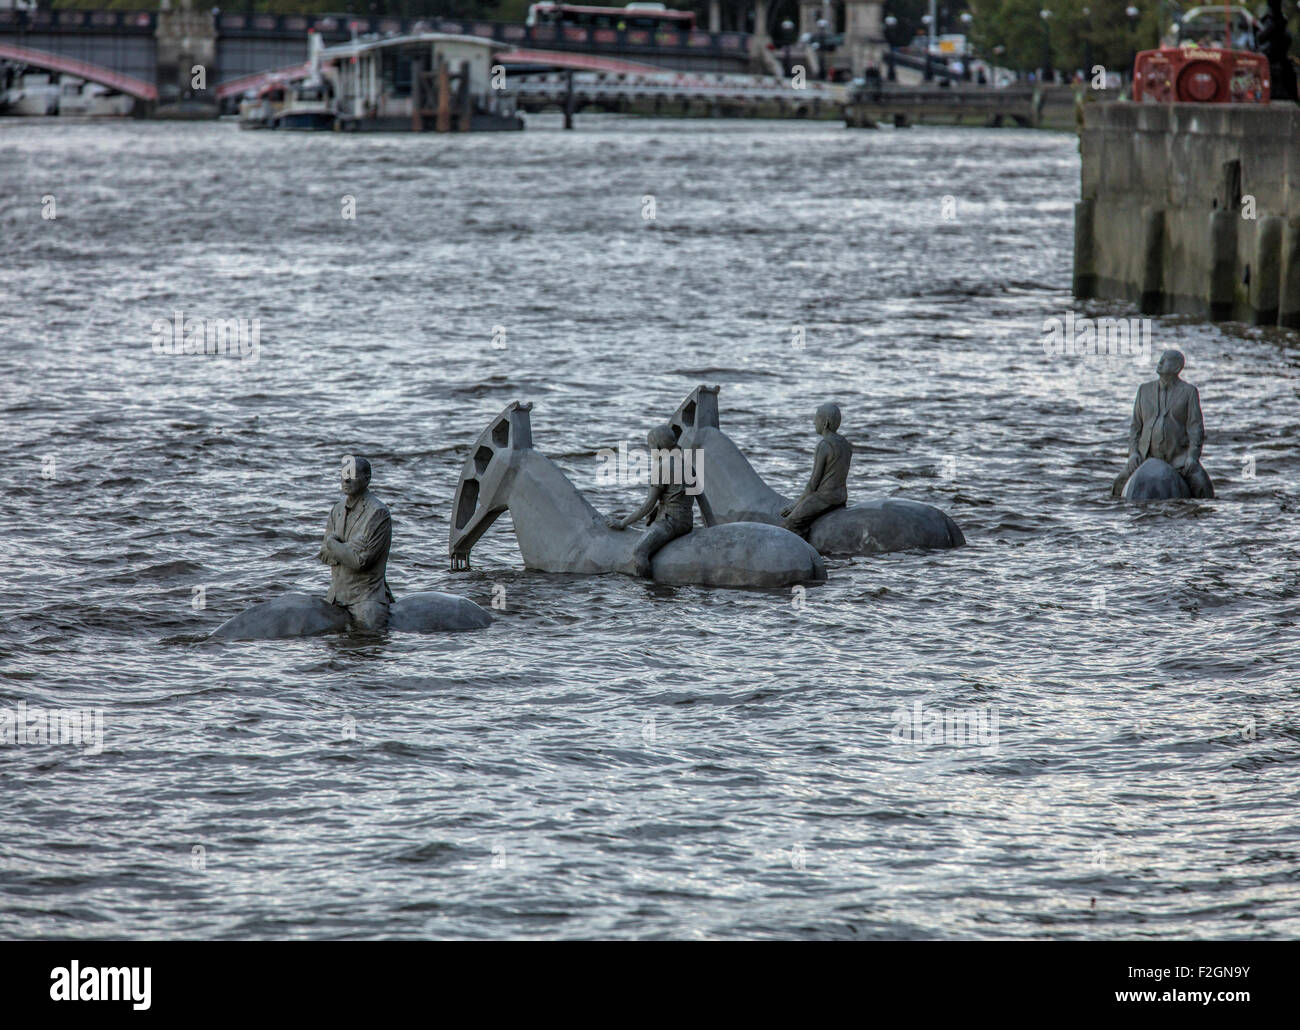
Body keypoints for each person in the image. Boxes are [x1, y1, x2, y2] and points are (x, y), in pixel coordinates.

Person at [1111, 349, 1214, 498]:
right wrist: (1133, 454)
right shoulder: (1144, 390)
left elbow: (1195, 428)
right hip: (1146, 456)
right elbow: (1135, 428)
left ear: (1177, 368)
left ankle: (1207, 511)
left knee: (1201, 483)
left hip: (1178, 459)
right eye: (1161, 359)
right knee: (1119, 481)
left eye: (1165, 360)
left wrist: (1192, 457)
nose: (1160, 362)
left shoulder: (1189, 392)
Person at [607, 425, 695, 578]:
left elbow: (647, 506)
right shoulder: (689, 465)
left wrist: (622, 523)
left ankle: (649, 587)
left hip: (670, 522)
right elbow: (701, 497)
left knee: (639, 552)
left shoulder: (662, 468)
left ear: (658, 446)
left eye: (650, 447)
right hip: (687, 522)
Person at [319, 455, 395, 630]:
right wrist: (347, 549)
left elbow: (359, 562)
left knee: (370, 640)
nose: (345, 479)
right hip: (335, 597)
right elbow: (323, 554)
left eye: (352, 474)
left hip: (364, 600)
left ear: (367, 479)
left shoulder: (378, 513)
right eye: (343, 474)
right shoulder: (337, 509)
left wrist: (334, 544)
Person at [781, 402, 852, 538]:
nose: (813, 422)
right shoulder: (846, 444)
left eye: (816, 418)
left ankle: (804, 551)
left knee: (789, 524)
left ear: (825, 423)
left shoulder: (824, 445)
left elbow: (813, 484)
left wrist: (794, 506)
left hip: (824, 498)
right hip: (841, 497)